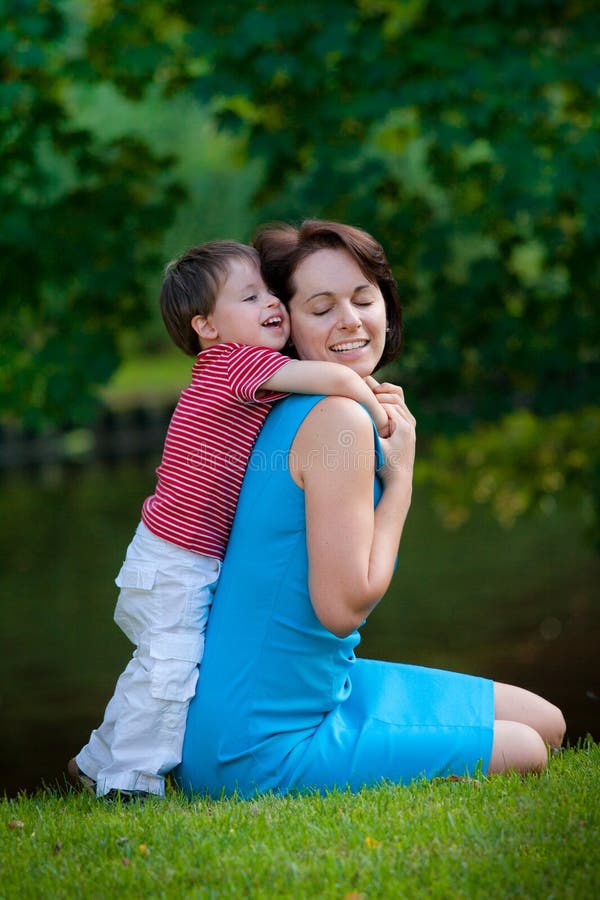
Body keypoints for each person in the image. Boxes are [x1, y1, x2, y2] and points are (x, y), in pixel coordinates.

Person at [176, 220, 566, 799]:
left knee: (549, 723)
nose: (351, 321)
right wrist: (401, 480)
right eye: (321, 307)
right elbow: (343, 609)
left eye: (363, 298)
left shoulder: (292, 404)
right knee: (527, 751)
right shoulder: (335, 417)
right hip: (261, 744)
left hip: (319, 688)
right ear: (284, 321)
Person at [69, 239, 393, 800]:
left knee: (155, 664)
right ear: (207, 327)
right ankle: (128, 784)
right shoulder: (236, 364)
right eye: (249, 297)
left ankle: (94, 762)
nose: (270, 304)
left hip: (170, 551)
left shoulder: (241, 369)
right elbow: (337, 380)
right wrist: (378, 411)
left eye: (269, 292)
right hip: (176, 556)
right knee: (168, 667)